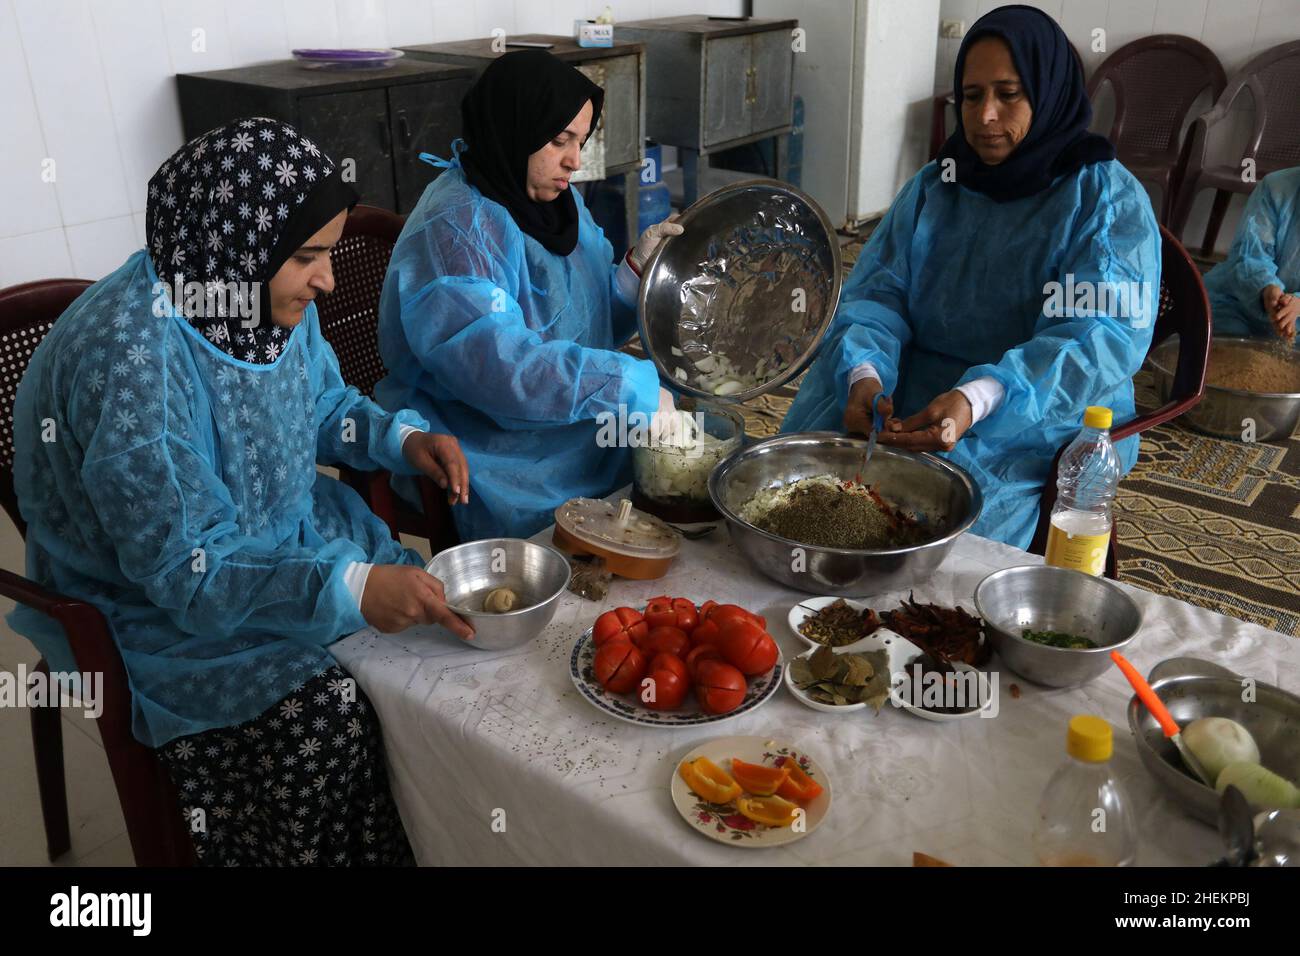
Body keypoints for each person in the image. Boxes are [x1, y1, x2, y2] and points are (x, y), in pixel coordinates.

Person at [9, 118, 474, 865]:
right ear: (235, 247)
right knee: (324, 715)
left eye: (326, 250)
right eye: (309, 258)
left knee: (418, 671)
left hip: (276, 536)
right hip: (156, 599)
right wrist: (350, 587)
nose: (326, 280)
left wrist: (399, 440)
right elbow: (189, 570)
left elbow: (318, 404)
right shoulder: (131, 366)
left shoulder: (247, 292)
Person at [781, 4, 1160, 550]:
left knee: (943, 518)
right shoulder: (941, 184)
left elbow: (1098, 339)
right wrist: (866, 372)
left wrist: (980, 396)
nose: (984, 117)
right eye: (971, 96)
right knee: (805, 468)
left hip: (1043, 404)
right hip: (918, 381)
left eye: (1008, 95)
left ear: (1048, 91)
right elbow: (877, 296)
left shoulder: (1101, 198)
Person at [376, 49, 680, 541]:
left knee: (682, 461)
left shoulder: (558, 200)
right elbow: (498, 369)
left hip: (556, 418)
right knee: (584, 526)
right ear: (513, 127)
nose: (575, 162)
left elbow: (582, 317)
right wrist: (622, 386)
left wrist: (631, 275)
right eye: (560, 140)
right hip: (486, 441)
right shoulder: (460, 226)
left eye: (582, 141)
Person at [1203, 166, 1300, 345]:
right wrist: (1266, 288)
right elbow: (1250, 255)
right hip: (1240, 301)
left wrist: (1298, 304)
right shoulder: (1276, 187)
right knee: (1218, 341)